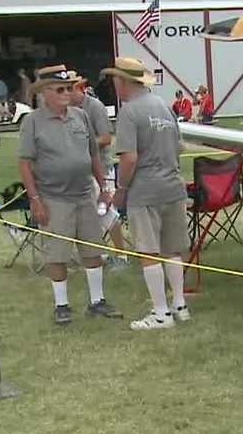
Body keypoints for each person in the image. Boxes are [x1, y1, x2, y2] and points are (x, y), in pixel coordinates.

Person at [17, 64, 123, 324]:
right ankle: (61, 305)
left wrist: (104, 188)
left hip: (85, 194)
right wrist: (35, 200)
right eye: (61, 89)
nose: (67, 93)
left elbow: (93, 154)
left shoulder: (80, 116)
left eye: (69, 88)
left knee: (92, 250)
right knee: (57, 253)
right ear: (46, 93)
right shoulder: (32, 122)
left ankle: (97, 301)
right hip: (53, 198)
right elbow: (24, 164)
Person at [106, 57, 192, 330]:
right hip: (173, 187)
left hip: (145, 191)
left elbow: (129, 158)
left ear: (124, 81)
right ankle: (179, 305)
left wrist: (121, 190)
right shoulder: (164, 107)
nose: (113, 84)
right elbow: (180, 147)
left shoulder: (129, 112)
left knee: (149, 251)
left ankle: (160, 313)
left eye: (115, 79)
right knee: (173, 249)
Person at [70, 73, 129, 266]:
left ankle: (121, 256)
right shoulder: (67, 110)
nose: (65, 93)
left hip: (101, 170)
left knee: (106, 212)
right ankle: (96, 255)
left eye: (69, 88)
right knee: (87, 215)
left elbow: (105, 138)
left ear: (79, 88)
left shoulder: (95, 107)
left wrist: (80, 145)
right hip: (80, 171)